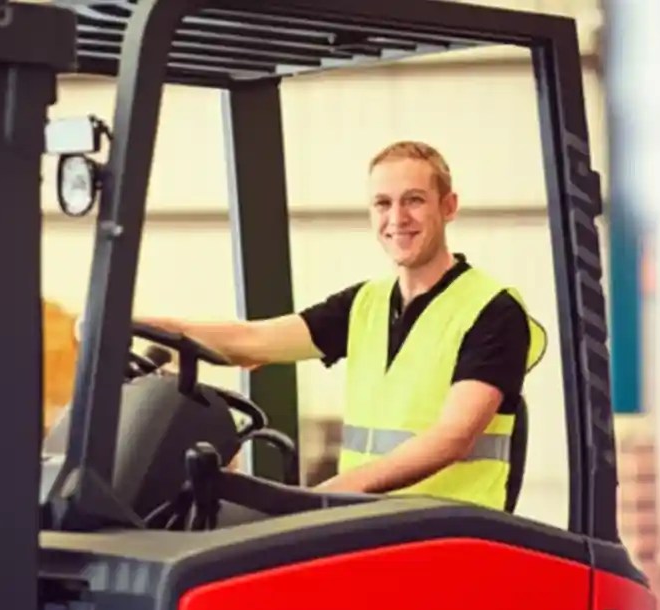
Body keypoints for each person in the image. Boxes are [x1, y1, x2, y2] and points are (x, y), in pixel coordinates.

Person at [136, 141, 547, 512]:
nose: (397, 218)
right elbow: (253, 341)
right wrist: (131, 324)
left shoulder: (493, 310)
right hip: (367, 523)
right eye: (383, 204)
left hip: (449, 535)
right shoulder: (366, 304)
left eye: (414, 201)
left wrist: (326, 495)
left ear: (449, 206)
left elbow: (452, 437)